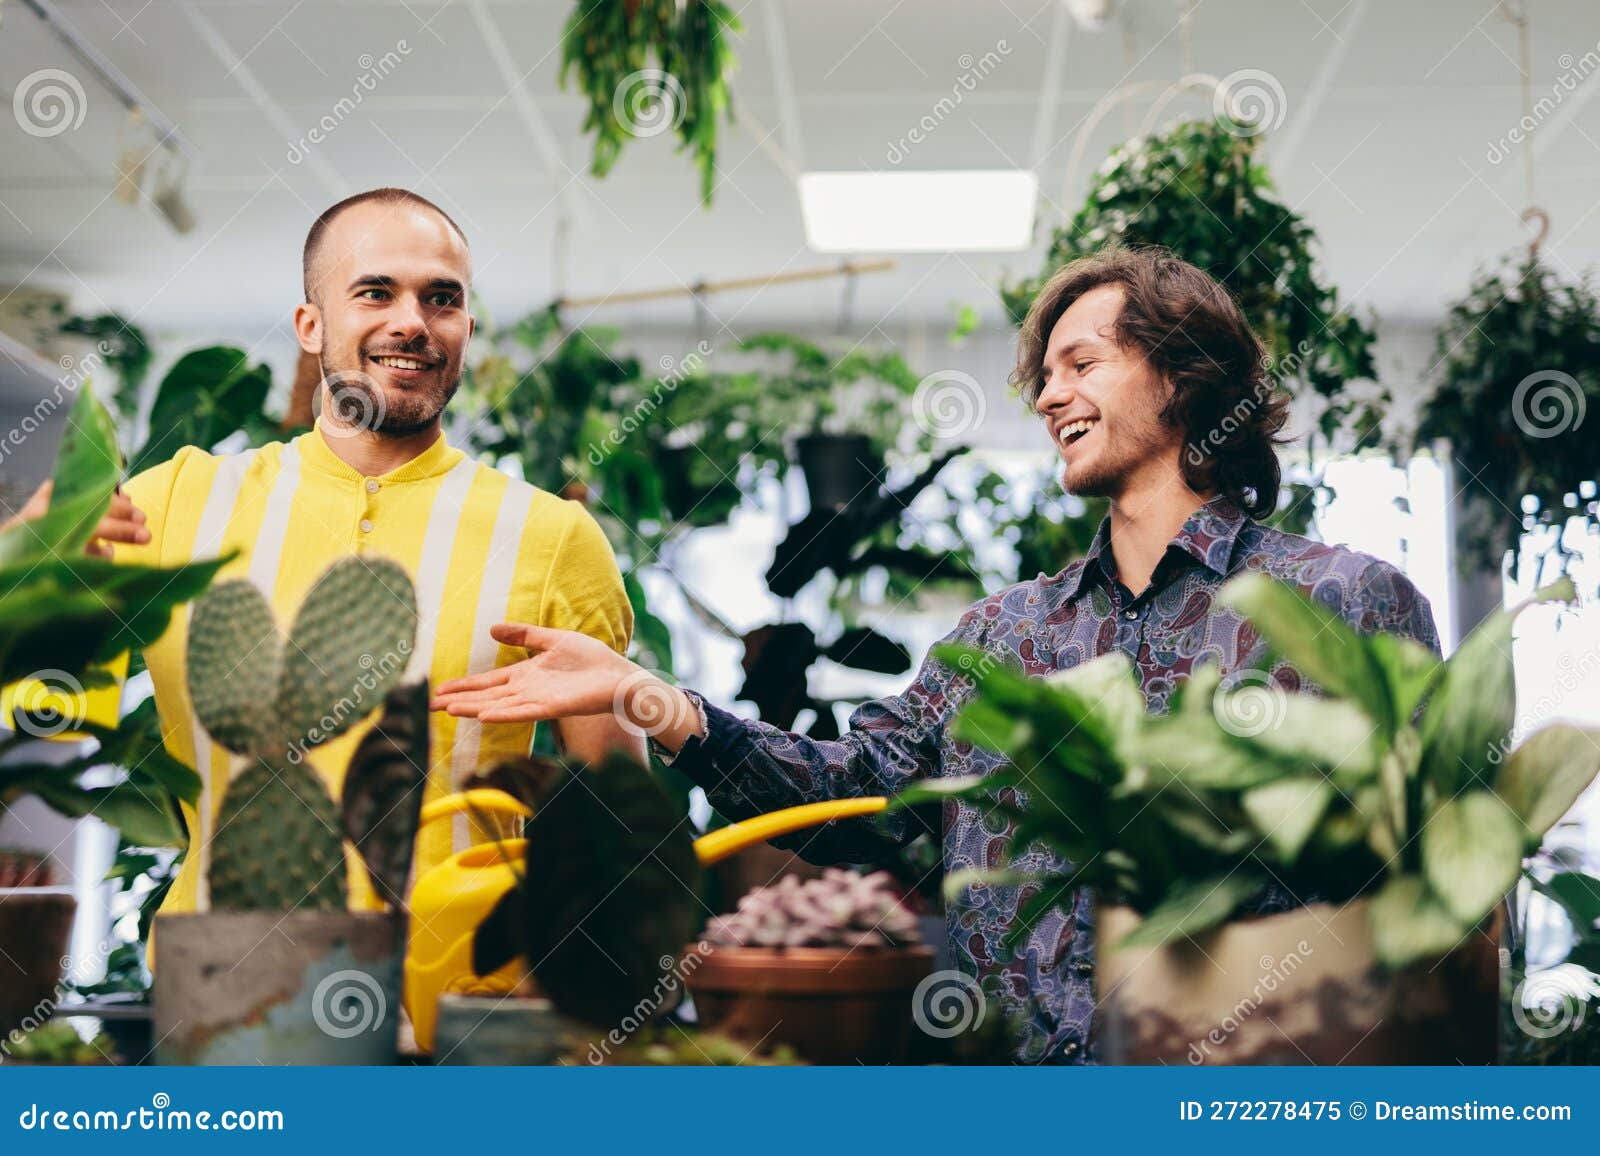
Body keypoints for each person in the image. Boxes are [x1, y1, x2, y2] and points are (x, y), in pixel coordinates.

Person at [431, 245, 1439, 1063]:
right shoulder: (1005, 636)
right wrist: (659, 702)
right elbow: (855, 790)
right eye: (1043, 376)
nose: (1048, 397)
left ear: (1183, 374)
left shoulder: (1342, 601)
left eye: (1081, 363)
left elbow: (1439, 897)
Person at [106, 187, 641, 914]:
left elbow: (616, 827)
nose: (411, 323)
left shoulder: (553, 538)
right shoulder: (170, 503)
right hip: (222, 992)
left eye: (441, 299)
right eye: (375, 292)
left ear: (466, 327)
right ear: (311, 323)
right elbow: (32, 688)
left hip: (461, 1002)